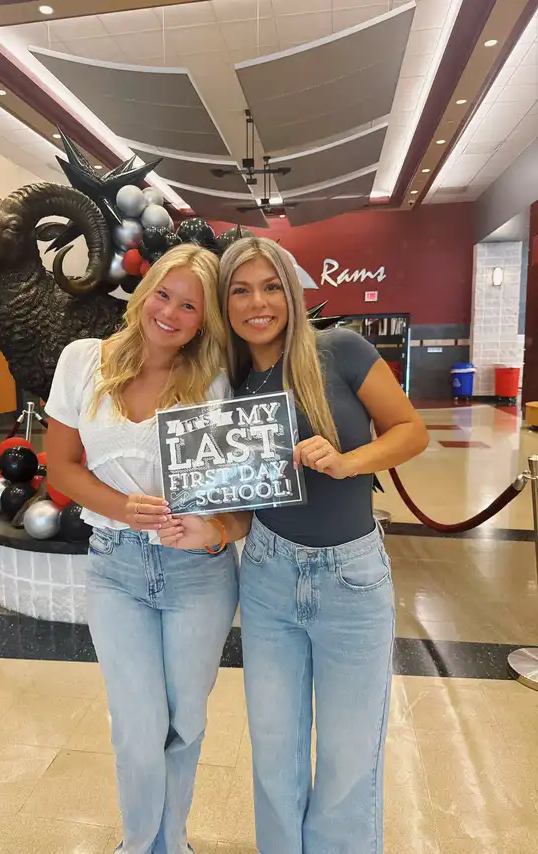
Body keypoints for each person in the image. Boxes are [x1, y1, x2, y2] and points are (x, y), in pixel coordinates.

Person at [217, 236, 429, 854]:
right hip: (267, 573)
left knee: (349, 751)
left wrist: (347, 461)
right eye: (240, 290)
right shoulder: (228, 383)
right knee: (274, 746)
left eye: (271, 287)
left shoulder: (341, 350)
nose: (258, 303)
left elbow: (411, 430)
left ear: (291, 291)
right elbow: (238, 496)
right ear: (225, 303)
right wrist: (210, 525)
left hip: (352, 579)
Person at [44, 244, 249, 854]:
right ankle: (139, 845)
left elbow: (239, 499)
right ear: (144, 290)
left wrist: (213, 529)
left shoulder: (214, 380)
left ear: (204, 321)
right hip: (116, 566)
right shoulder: (84, 360)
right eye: (164, 294)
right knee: (137, 727)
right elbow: (61, 464)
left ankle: (172, 842)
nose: (170, 313)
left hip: (197, 574)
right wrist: (120, 507)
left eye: (190, 306)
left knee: (185, 722)